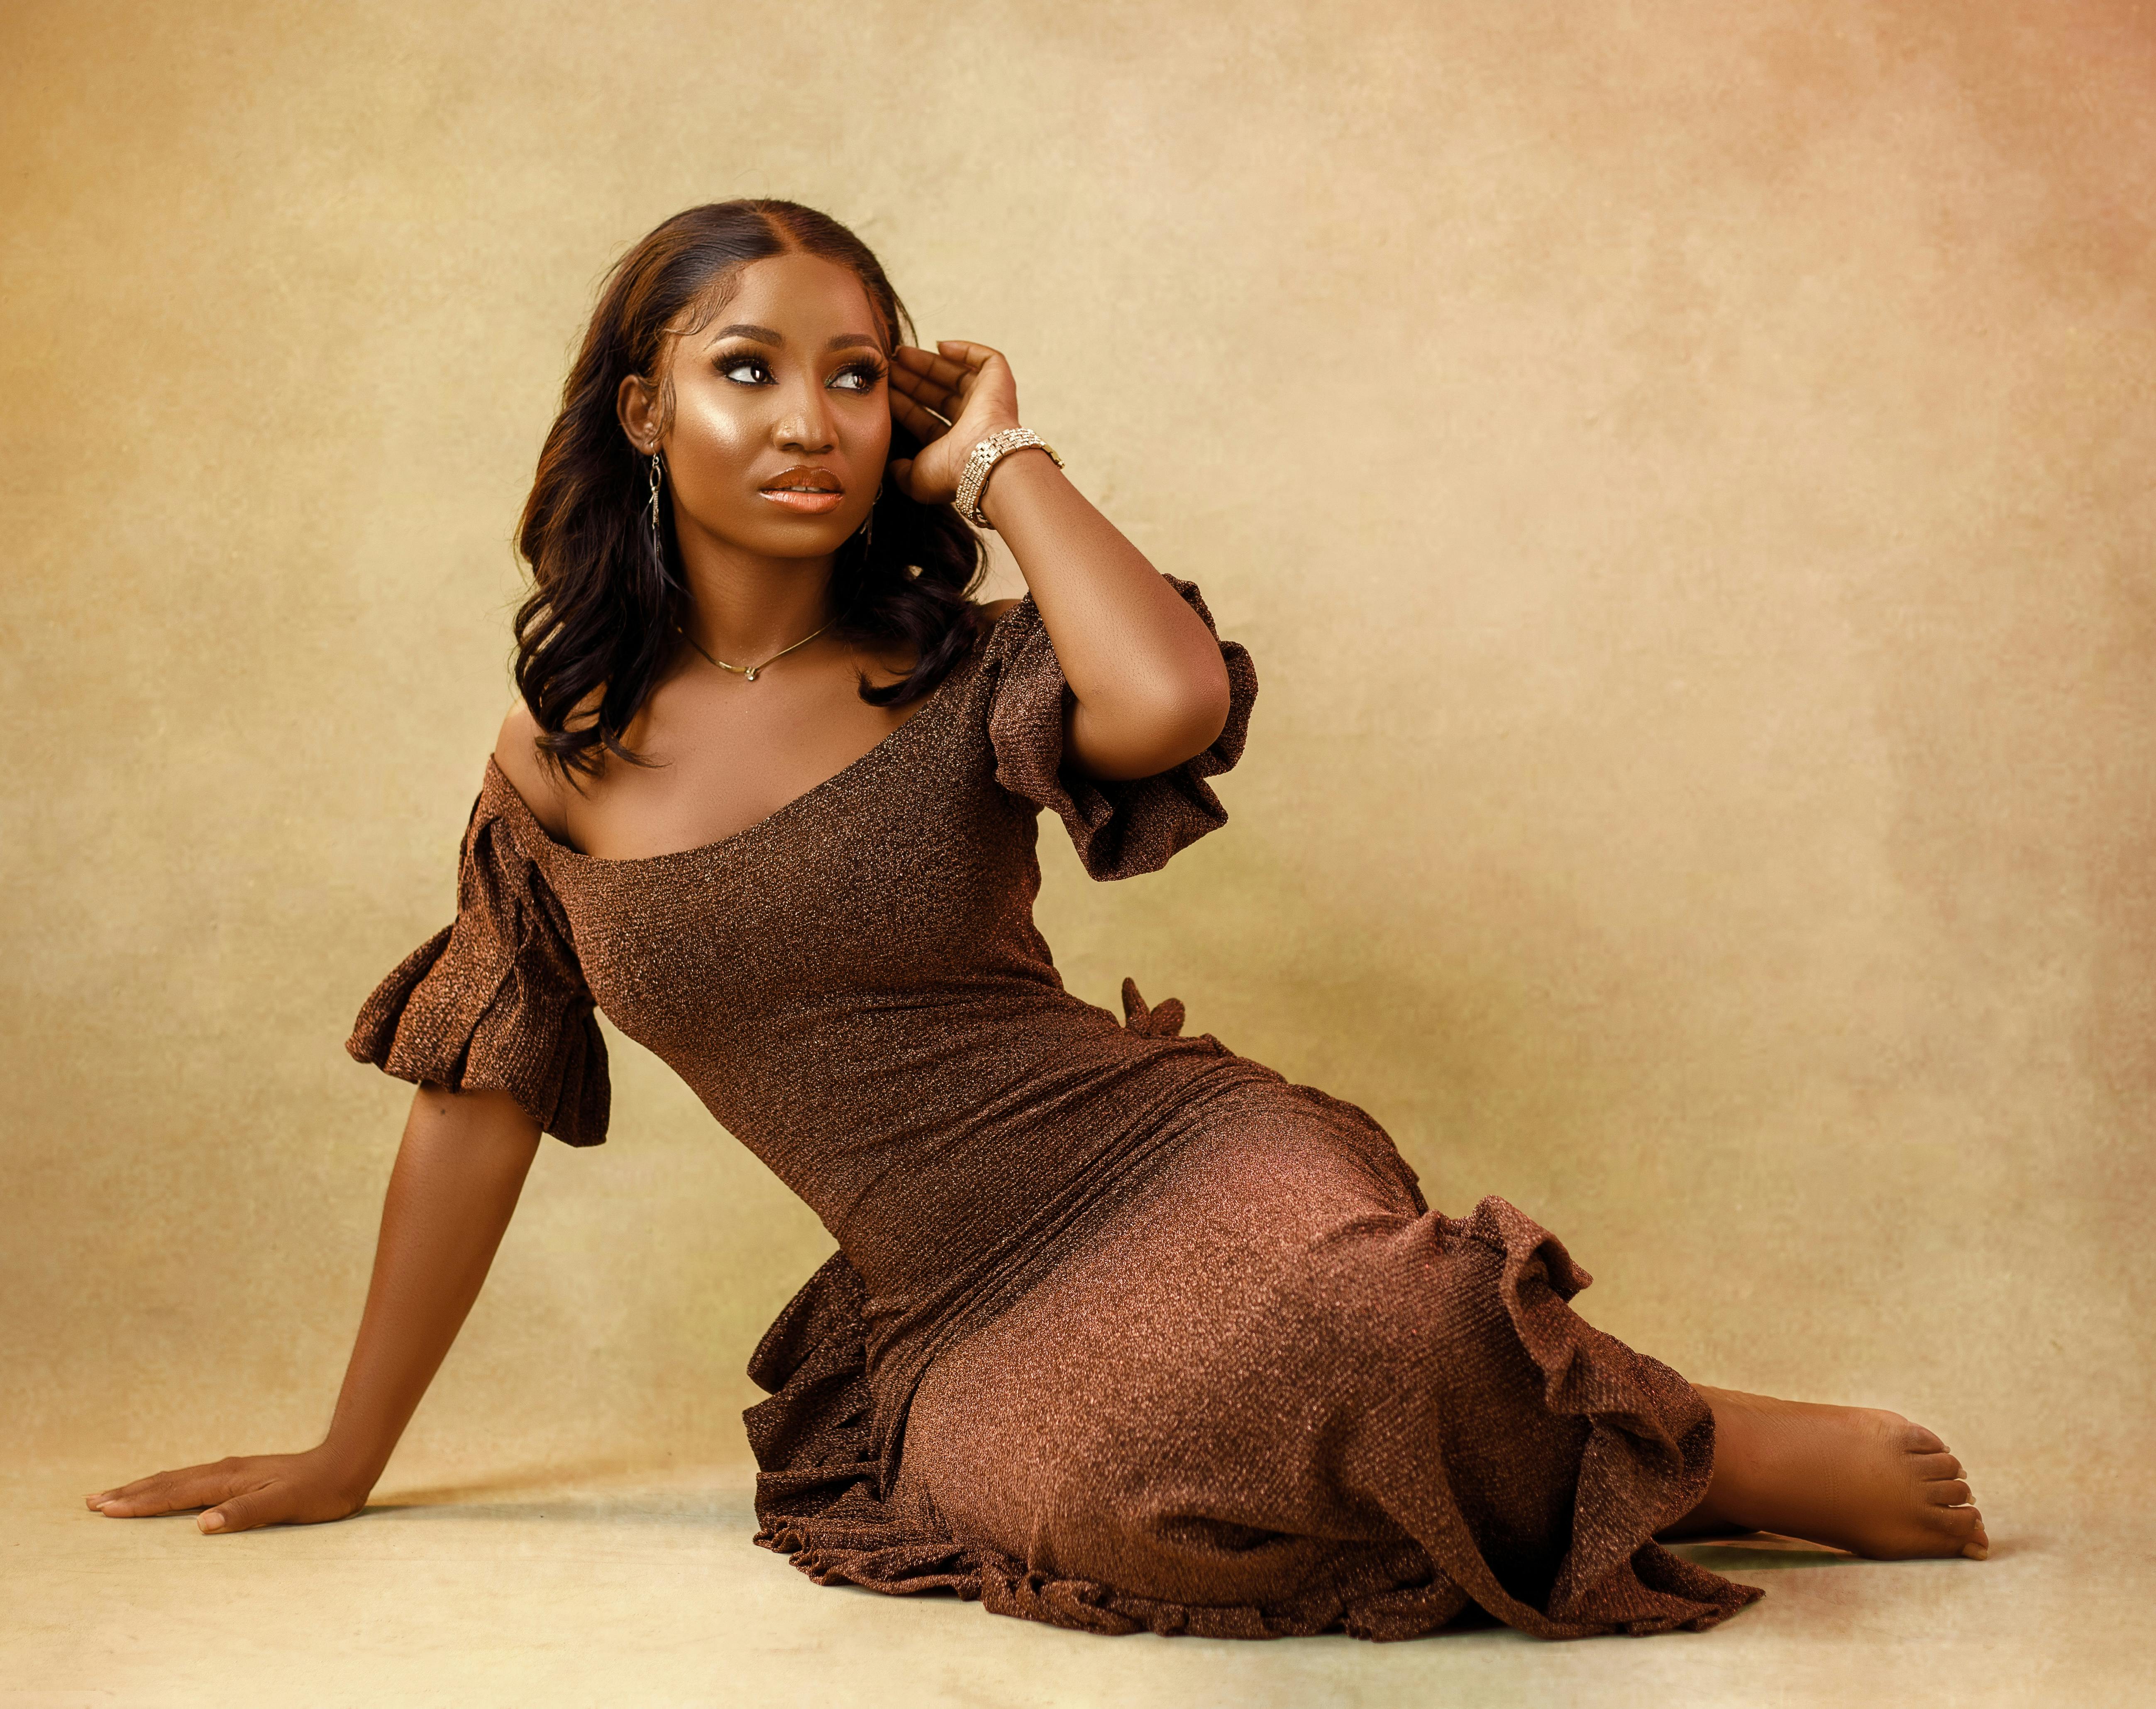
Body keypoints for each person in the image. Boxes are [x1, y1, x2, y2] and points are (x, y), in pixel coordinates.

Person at [87, 200, 1987, 1641]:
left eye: (855, 372)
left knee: (1350, 1318)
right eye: (747, 368)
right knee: (1112, 1508)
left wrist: (1001, 460)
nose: (807, 417)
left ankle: (1712, 1442)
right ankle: (1578, 1453)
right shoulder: (557, 759)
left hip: (1162, 1161)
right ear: (644, 405)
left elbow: (1168, 710)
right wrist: (351, 1453)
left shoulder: (960, 662)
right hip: (944, 1305)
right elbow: (473, 1102)